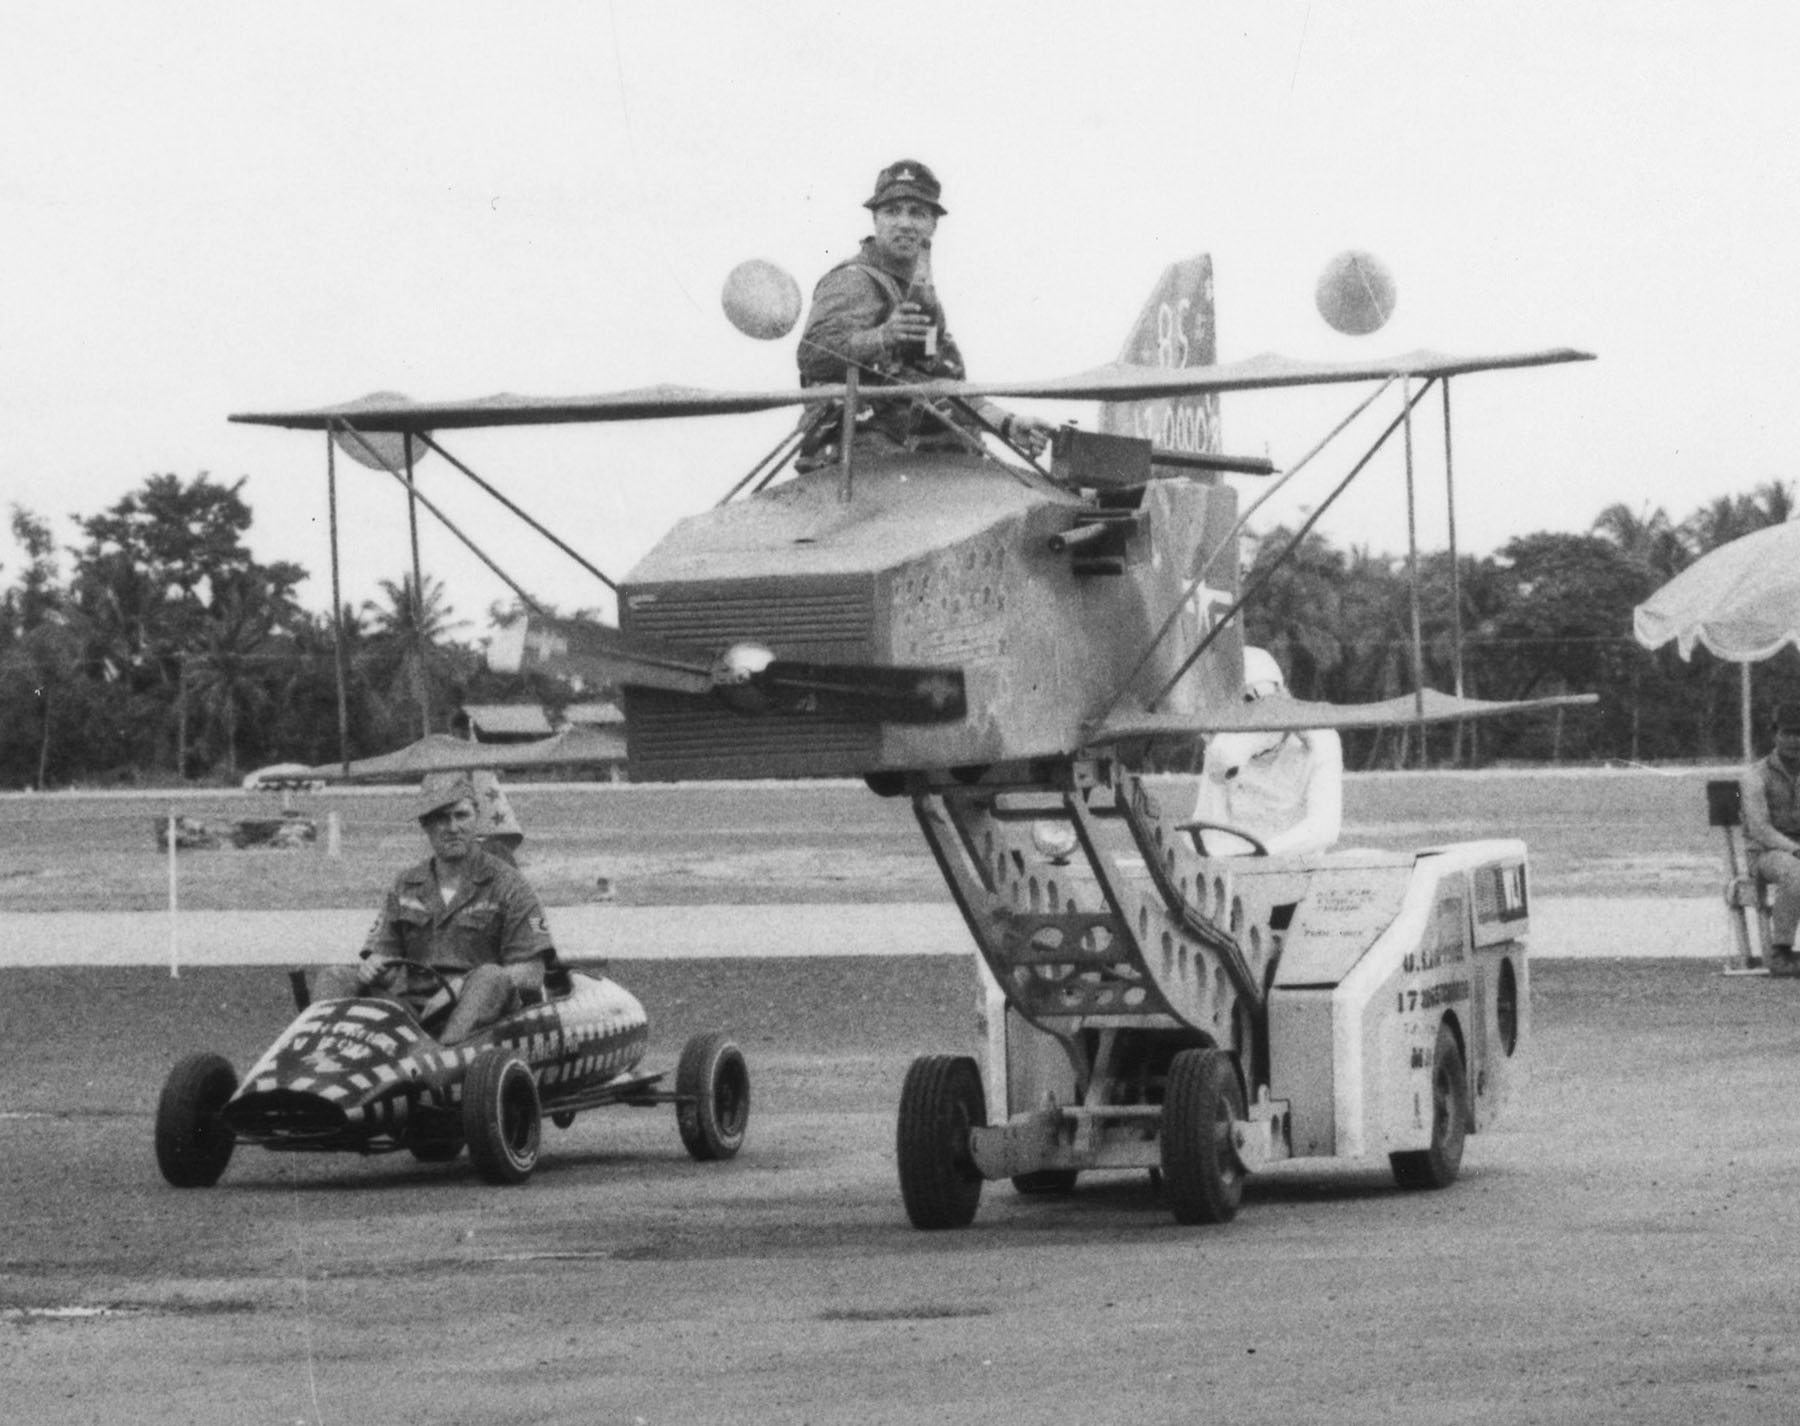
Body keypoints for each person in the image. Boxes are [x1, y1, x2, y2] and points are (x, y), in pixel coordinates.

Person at [796, 158, 1053, 460]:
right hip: (861, 465)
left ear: (933, 224)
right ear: (875, 220)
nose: (905, 223)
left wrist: (1006, 423)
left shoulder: (918, 291)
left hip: (925, 465)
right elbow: (812, 355)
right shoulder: (854, 280)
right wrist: (882, 336)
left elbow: (935, 384)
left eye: (917, 213)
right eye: (893, 211)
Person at [311, 773, 555, 1040]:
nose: (452, 827)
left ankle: (442, 1059)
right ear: (425, 825)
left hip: (483, 1016)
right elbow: (383, 959)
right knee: (335, 976)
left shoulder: (510, 886)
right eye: (440, 818)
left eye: (461, 815)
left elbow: (532, 973)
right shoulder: (405, 885)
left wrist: (463, 985)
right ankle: (314, 1059)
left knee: (490, 976)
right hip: (415, 1010)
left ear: (477, 817)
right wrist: (375, 967)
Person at [1190, 647, 1343, 857]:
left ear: (1281, 696)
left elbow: (1324, 829)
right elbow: (1209, 825)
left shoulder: (1321, 738)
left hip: (1298, 868)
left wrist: (1261, 855)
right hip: (1235, 869)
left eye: (1252, 700)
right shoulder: (1223, 751)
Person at [1740, 702, 1800, 976]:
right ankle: (1782, 951)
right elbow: (1760, 829)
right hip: (1766, 854)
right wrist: (1796, 849)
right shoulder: (1756, 775)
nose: (1794, 740)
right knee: (1795, 870)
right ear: (1774, 734)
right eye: (1788, 733)